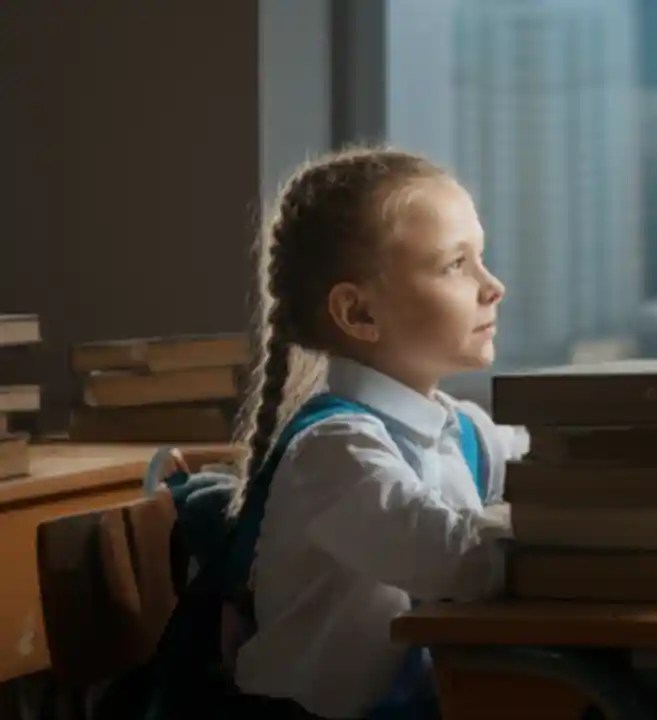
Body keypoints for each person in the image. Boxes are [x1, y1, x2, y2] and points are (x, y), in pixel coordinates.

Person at [221, 147, 525, 718]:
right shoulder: (333, 453)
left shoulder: (462, 430)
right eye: (455, 265)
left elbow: (562, 470)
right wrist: (569, 518)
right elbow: (454, 560)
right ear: (359, 314)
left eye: (480, 258)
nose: (494, 285)